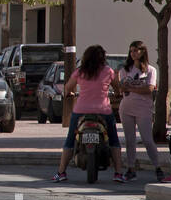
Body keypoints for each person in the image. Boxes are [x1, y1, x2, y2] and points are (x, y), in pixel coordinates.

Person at [53, 44, 126, 182]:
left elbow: (67, 88)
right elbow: (117, 89)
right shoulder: (108, 71)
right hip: (103, 110)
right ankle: (118, 173)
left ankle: (61, 172)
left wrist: (69, 94)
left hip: (81, 110)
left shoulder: (79, 72)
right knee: (114, 140)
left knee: (70, 140)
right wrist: (116, 93)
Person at [118, 40, 159, 182]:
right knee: (130, 140)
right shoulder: (125, 70)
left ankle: (157, 166)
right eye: (131, 51)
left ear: (143, 52)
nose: (133, 53)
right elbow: (122, 87)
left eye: (136, 50)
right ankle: (131, 168)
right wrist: (131, 89)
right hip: (127, 107)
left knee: (147, 139)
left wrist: (131, 88)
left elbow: (149, 88)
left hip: (144, 108)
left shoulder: (150, 70)